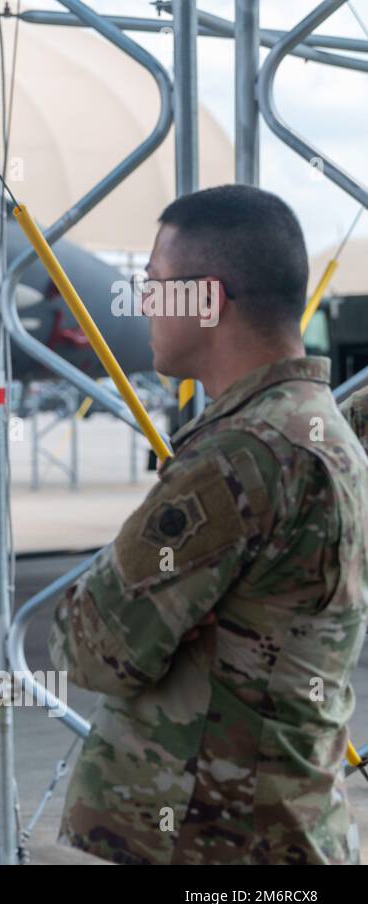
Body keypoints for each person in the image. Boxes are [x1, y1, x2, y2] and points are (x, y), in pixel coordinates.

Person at [49, 184, 368, 864]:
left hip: (212, 844)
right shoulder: (318, 426)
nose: (143, 302)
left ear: (208, 298)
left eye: (155, 283)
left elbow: (90, 644)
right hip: (281, 828)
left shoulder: (244, 456)